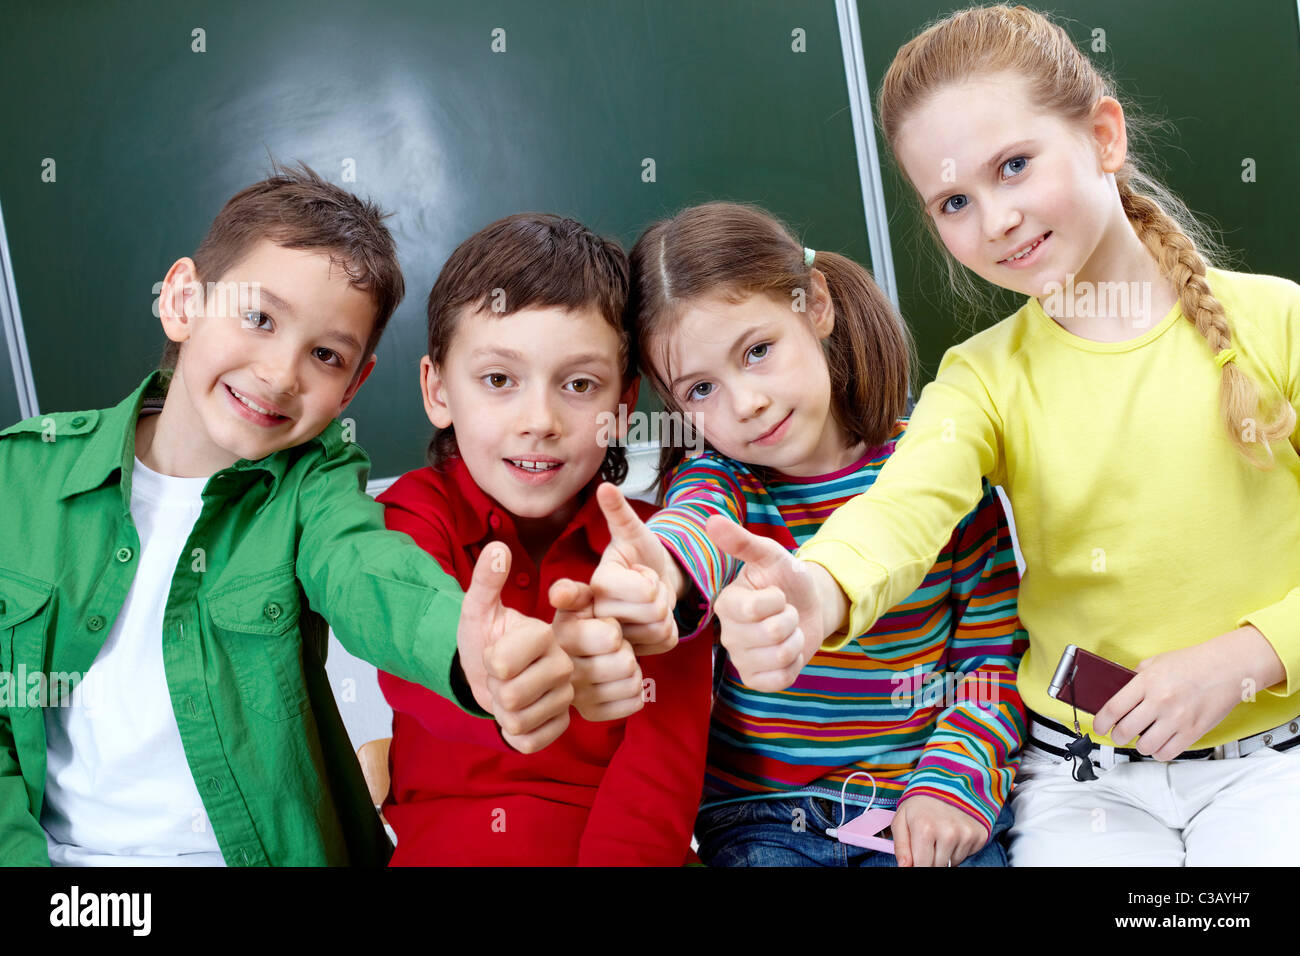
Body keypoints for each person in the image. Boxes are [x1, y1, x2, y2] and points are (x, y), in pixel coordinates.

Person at [709, 5, 1300, 865]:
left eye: (1015, 165)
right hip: (1084, 780)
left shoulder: (1277, 322)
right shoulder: (983, 377)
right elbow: (902, 511)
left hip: (1271, 763)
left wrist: (1249, 656)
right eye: (954, 200)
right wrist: (820, 587)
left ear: (1104, 136)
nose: (995, 222)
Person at [0, 164, 571, 866]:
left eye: (325, 355)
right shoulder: (21, 475)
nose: (279, 373)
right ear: (183, 300)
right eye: (258, 317)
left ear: (353, 386)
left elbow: (365, 570)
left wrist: (464, 645)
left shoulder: (314, 480)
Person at [584, 201, 1026, 866]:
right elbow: (689, 536)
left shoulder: (938, 474)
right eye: (701, 389)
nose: (745, 403)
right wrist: (658, 575)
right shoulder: (720, 485)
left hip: (916, 805)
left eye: (758, 351)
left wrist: (950, 787)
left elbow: (990, 665)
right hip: (762, 819)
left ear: (815, 304)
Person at [376, 213, 712, 865]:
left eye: (579, 385)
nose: (540, 422)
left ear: (624, 403)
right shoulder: (411, 515)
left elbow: (660, 770)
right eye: (499, 379)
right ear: (438, 390)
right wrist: (487, 676)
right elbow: (408, 639)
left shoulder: (660, 548)